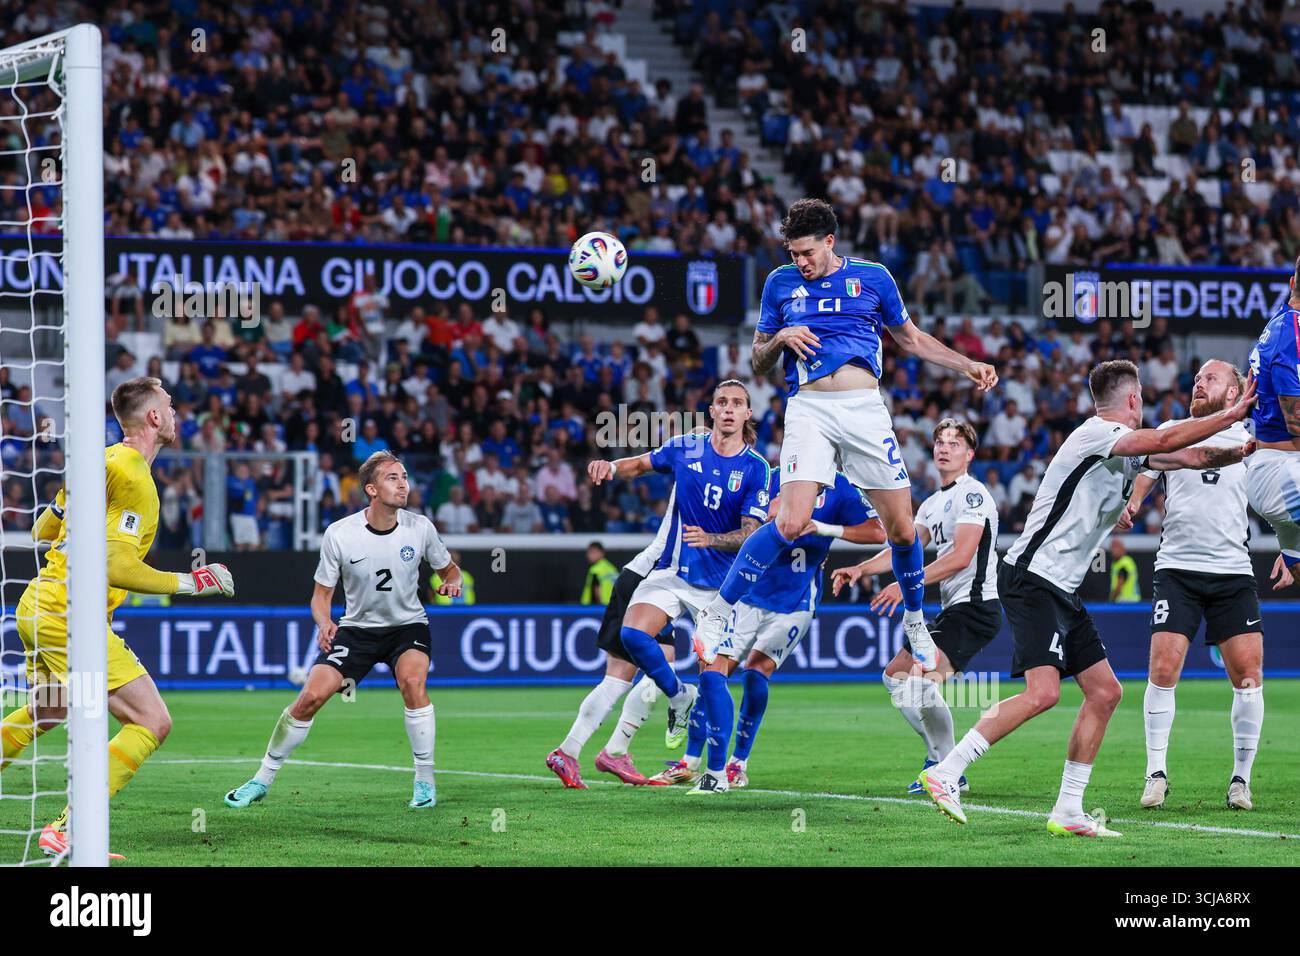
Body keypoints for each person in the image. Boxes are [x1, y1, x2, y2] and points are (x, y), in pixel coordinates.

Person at [918, 360, 1257, 838]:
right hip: (1033, 576)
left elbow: (1196, 458)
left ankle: (1068, 809)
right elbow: (1162, 442)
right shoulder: (1096, 433)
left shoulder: (1126, 448)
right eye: (1141, 399)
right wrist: (1230, 414)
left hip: (1062, 587)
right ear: (1133, 400)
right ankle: (946, 771)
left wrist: (1243, 447)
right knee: (1044, 693)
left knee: (1105, 691)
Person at [691, 198, 997, 675]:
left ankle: (916, 620)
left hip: (863, 409)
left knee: (900, 528)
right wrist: (780, 338)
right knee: (790, 522)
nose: (800, 262)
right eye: (794, 254)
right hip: (809, 407)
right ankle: (718, 611)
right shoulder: (779, 283)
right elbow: (757, 359)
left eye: (808, 252)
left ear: (830, 242)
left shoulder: (874, 278)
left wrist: (967, 365)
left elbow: (912, 338)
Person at [3, 376, 237, 859]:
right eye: (169, 406)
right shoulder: (134, 477)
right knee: (152, 720)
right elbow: (117, 566)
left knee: (51, 711)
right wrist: (194, 582)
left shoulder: (100, 460)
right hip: (71, 615)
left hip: (37, 604)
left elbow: (42, 529)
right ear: (153, 417)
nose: (175, 414)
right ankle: (72, 827)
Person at [545, 382, 770, 788]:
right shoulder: (687, 449)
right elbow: (641, 463)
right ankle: (592, 748)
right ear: (711, 411)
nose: (730, 410)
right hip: (656, 572)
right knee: (629, 667)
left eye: (738, 404)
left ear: (748, 413)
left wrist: (713, 539)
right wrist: (610, 468)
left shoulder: (754, 467)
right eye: (722, 402)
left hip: (713, 588)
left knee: (656, 673)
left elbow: (751, 532)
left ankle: (617, 750)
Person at [223, 451, 462, 811]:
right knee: (310, 698)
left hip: (407, 626)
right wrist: (324, 622)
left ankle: (425, 781)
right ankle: (261, 779)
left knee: (413, 684)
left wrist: (452, 583)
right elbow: (320, 597)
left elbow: (450, 571)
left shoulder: (420, 527)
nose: (403, 484)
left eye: (405, 476)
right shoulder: (340, 534)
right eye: (393, 478)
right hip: (356, 631)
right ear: (371, 489)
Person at [652, 470, 884, 792]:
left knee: (756, 671)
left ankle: (736, 765)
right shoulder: (770, 478)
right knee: (712, 672)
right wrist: (764, 518)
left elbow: (877, 533)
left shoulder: (841, 488)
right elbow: (744, 529)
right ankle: (691, 762)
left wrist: (822, 527)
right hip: (747, 596)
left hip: (794, 602)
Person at [831, 418, 1002, 794]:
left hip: (976, 608)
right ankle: (938, 761)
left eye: (954, 443)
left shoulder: (973, 495)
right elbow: (902, 548)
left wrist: (905, 582)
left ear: (970, 454)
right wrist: (861, 569)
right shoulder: (931, 503)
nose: (944, 448)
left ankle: (947, 768)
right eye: (940, 442)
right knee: (895, 678)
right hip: (952, 609)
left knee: (916, 685)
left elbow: (960, 556)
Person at [1122, 360, 1263, 810]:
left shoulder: (1251, 440)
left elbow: (1276, 499)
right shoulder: (1174, 428)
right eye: (1197, 376)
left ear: (1234, 391)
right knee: (1163, 671)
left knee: (1249, 678)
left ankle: (1241, 780)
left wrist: (1289, 547)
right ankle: (1155, 774)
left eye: (1211, 378)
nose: (1200, 381)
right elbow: (1147, 472)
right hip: (1178, 569)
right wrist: (1134, 501)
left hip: (1233, 572)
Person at [1108, 538, 1141, 603]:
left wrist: (1112, 600)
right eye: (1112, 547)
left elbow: (1119, 584)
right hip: (1130, 602)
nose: (1112, 550)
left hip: (1126, 603)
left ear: (1123, 549)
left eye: (1115, 547)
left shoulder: (1124, 563)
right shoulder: (1120, 562)